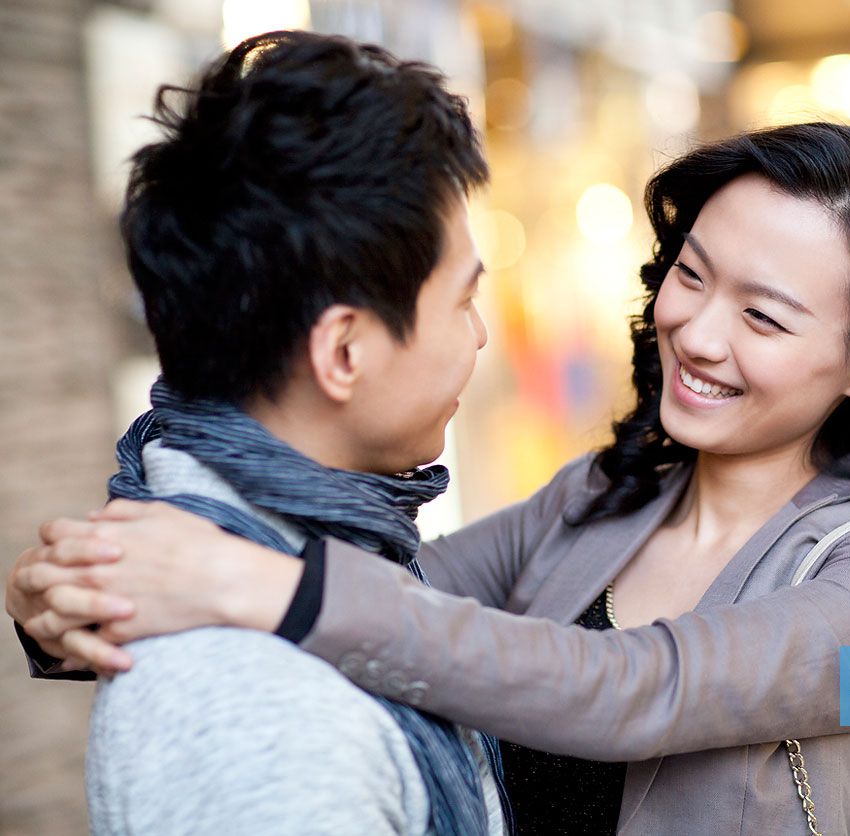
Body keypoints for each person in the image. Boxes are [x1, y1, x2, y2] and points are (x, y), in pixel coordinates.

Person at [10, 122, 850, 835]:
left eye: (764, 315)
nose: (694, 330)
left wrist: (256, 586)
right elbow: (387, 600)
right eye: (691, 274)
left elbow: (638, 689)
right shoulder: (605, 492)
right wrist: (98, 590)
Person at [6, 31, 509, 835]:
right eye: (462, 300)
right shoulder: (265, 706)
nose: (479, 336)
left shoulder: (300, 553)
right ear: (344, 351)